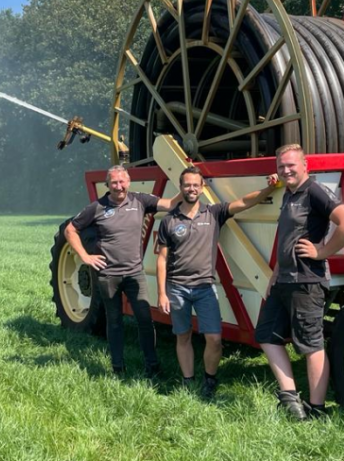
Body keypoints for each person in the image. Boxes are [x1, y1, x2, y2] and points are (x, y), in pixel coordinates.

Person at [156, 166, 279, 398]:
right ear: (180, 188)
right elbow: (162, 259)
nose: (191, 189)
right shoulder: (169, 221)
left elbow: (243, 202)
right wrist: (162, 293)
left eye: (195, 185)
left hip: (205, 288)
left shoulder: (213, 213)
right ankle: (188, 380)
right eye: (186, 185)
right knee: (182, 336)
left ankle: (209, 380)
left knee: (214, 339)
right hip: (177, 288)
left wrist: (268, 189)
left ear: (202, 188)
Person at [256, 144, 344, 420]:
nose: (286, 170)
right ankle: (290, 399)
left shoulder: (314, 192)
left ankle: (316, 409)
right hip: (284, 280)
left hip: (307, 281)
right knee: (266, 335)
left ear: (305, 166)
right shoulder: (289, 194)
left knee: (311, 345)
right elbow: (288, 237)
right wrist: (275, 274)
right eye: (281, 166)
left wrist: (321, 251)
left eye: (291, 165)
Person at [65, 164, 181, 377]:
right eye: (114, 183)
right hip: (108, 276)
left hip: (135, 274)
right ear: (107, 185)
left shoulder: (140, 201)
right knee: (115, 321)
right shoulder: (97, 207)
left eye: (122, 181)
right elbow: (70, 229)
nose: (119, 186)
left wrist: (186, 187)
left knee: (145, 320)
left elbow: (171, 204)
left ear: (128, 182)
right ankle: (118, 367)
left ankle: (152, 366)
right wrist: (84, 256)